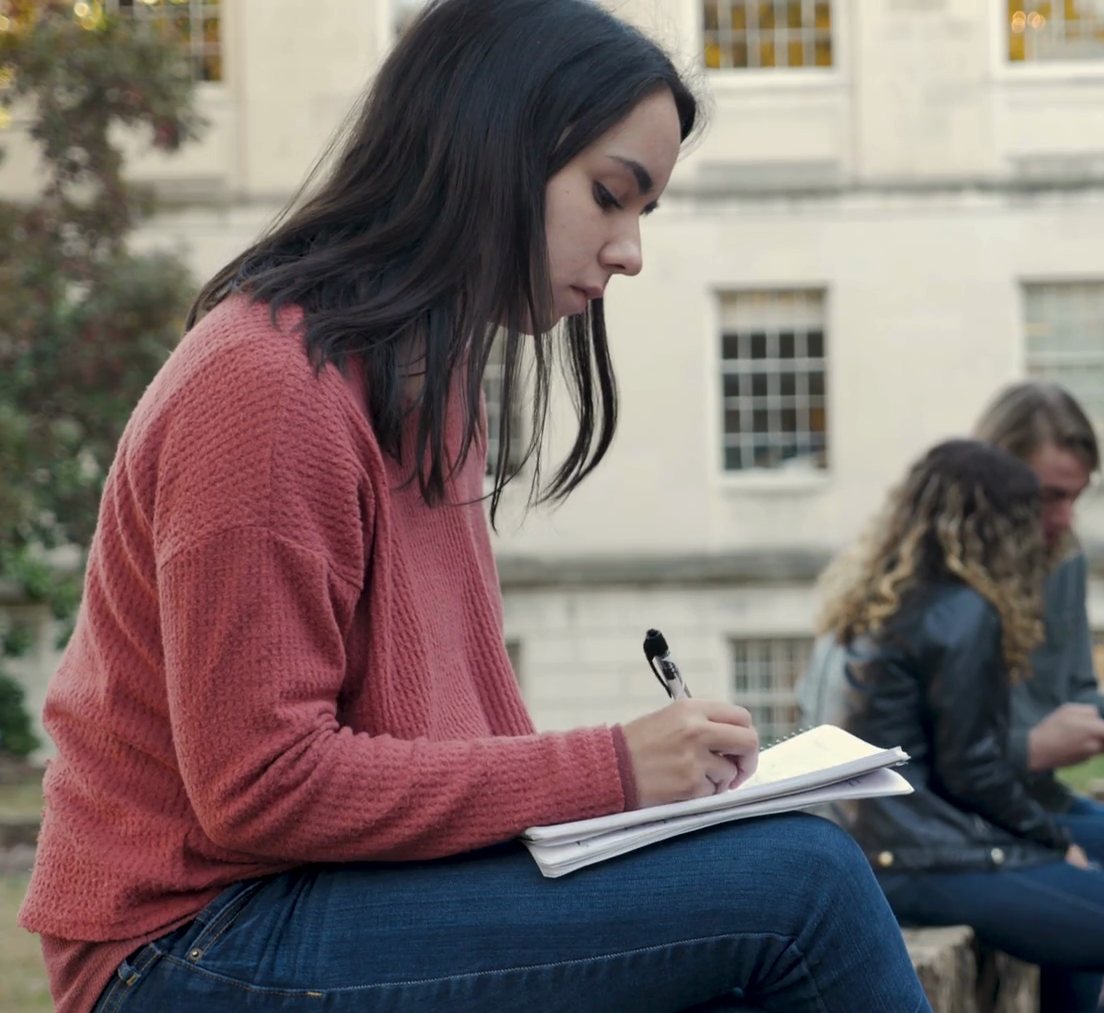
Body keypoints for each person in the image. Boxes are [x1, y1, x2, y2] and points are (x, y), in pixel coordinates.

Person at [16, 3, 932, 1011]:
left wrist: (637, 808)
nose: (630, 252)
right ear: (489, 149)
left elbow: (457, 723)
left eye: (645, 214)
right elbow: (260, 784)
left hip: (327, 900)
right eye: (610, 196)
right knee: (803, 883)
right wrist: (613, 767)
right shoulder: (266, 386)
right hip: (185, 943)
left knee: (758, 888)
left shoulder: (424, 380)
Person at [802, 381, 1104, 1013]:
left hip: (971, 818)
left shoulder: (919, 588)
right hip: (958, 823)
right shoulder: (957, 601)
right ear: (997, 490)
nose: (1061, 520)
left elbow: (1061, 695)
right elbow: (962, 761)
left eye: (1075, 498)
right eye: (1048, 497)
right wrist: (1042, 804)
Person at [822, 439, 1104, 1012]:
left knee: (1080, 940)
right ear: (999, 524)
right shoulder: (965, 609)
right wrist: (1053, 839)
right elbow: (972, 770)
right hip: (928, 863)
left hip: (884, 853)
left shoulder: (883, 601)